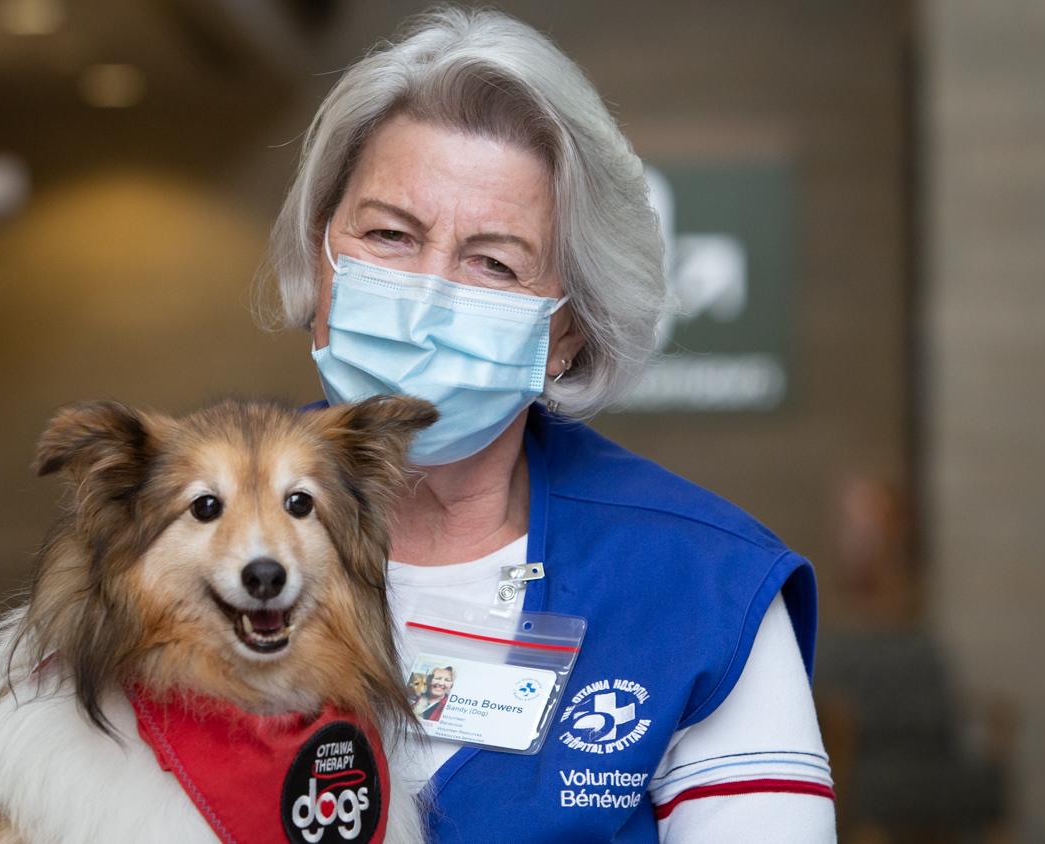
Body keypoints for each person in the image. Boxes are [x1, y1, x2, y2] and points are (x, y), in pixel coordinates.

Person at [265, 8, 834, 843]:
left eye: (494, 262)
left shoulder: (701, 586)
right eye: (390, 235)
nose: (426, 302)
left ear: (567, 332)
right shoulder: (174, 525)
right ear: (322, 258)